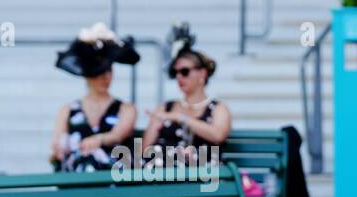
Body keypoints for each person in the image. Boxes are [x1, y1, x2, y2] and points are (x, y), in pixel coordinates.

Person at [50, 23, 140, 172]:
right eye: (99, 72)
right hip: (76, 178)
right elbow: (57, 142)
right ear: (87, 74)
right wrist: (58, 149)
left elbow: (117, 135)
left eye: (109, 70)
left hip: (114, 176)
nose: (105, 77)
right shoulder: (67, 110)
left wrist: (98, 140)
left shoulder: (126, 109)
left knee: (92, 160)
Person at [142, 25, 231, 166]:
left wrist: (181, 118)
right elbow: (146, 149)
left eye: (184, 71)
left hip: (202, 172)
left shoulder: (218, 108)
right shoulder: (165, 107)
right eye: (175, 73)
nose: (179, 77)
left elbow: (218, 135)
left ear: (202, 73)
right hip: (163, 170)